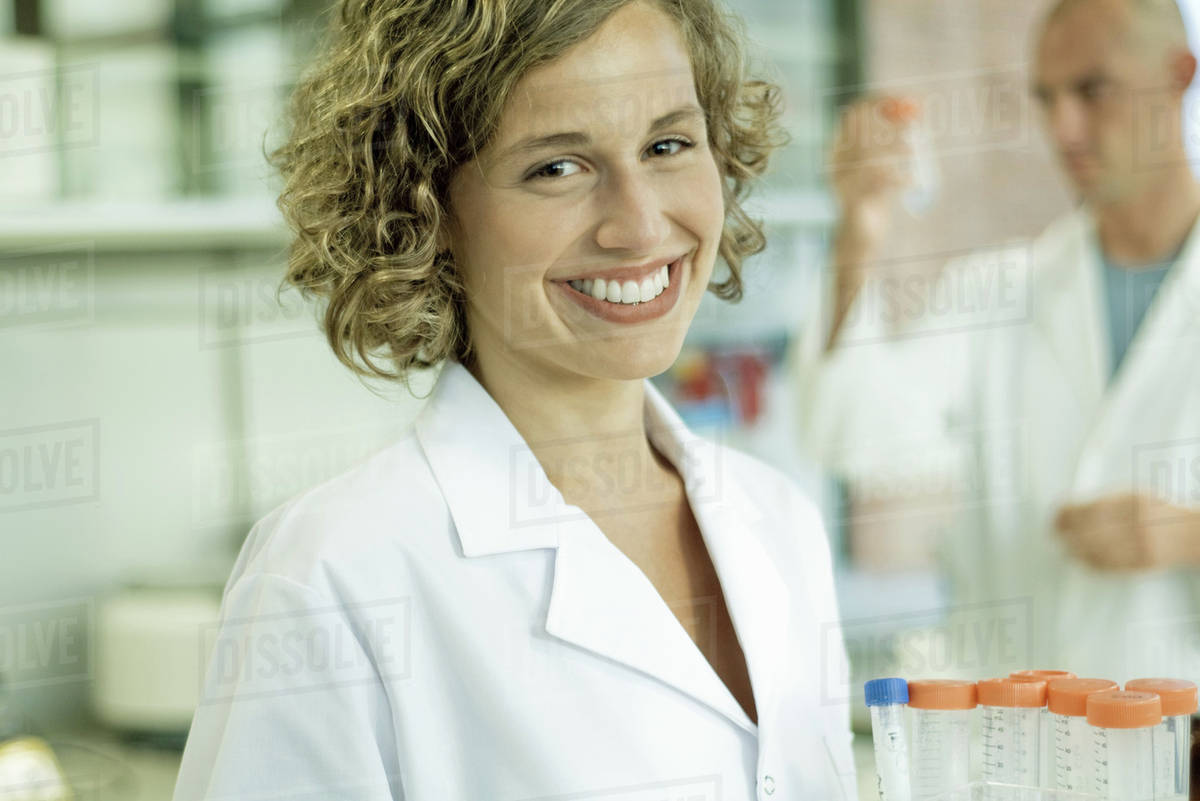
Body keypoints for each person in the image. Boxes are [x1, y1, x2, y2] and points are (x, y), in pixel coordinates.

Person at [172, 1, 857, 800]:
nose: (639, 226)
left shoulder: (779, 522)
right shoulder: (331, 576)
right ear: (426, 213)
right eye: (557, 168)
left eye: (668, 145)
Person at [792, 0, 1200, 683]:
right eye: (1047, 98)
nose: (1064, 128)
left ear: (1178, 76)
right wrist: (860, 232)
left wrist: (1189, 535)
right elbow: (850, 436)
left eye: (1091, 90)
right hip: (1018, 759)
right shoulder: (1000, 291)